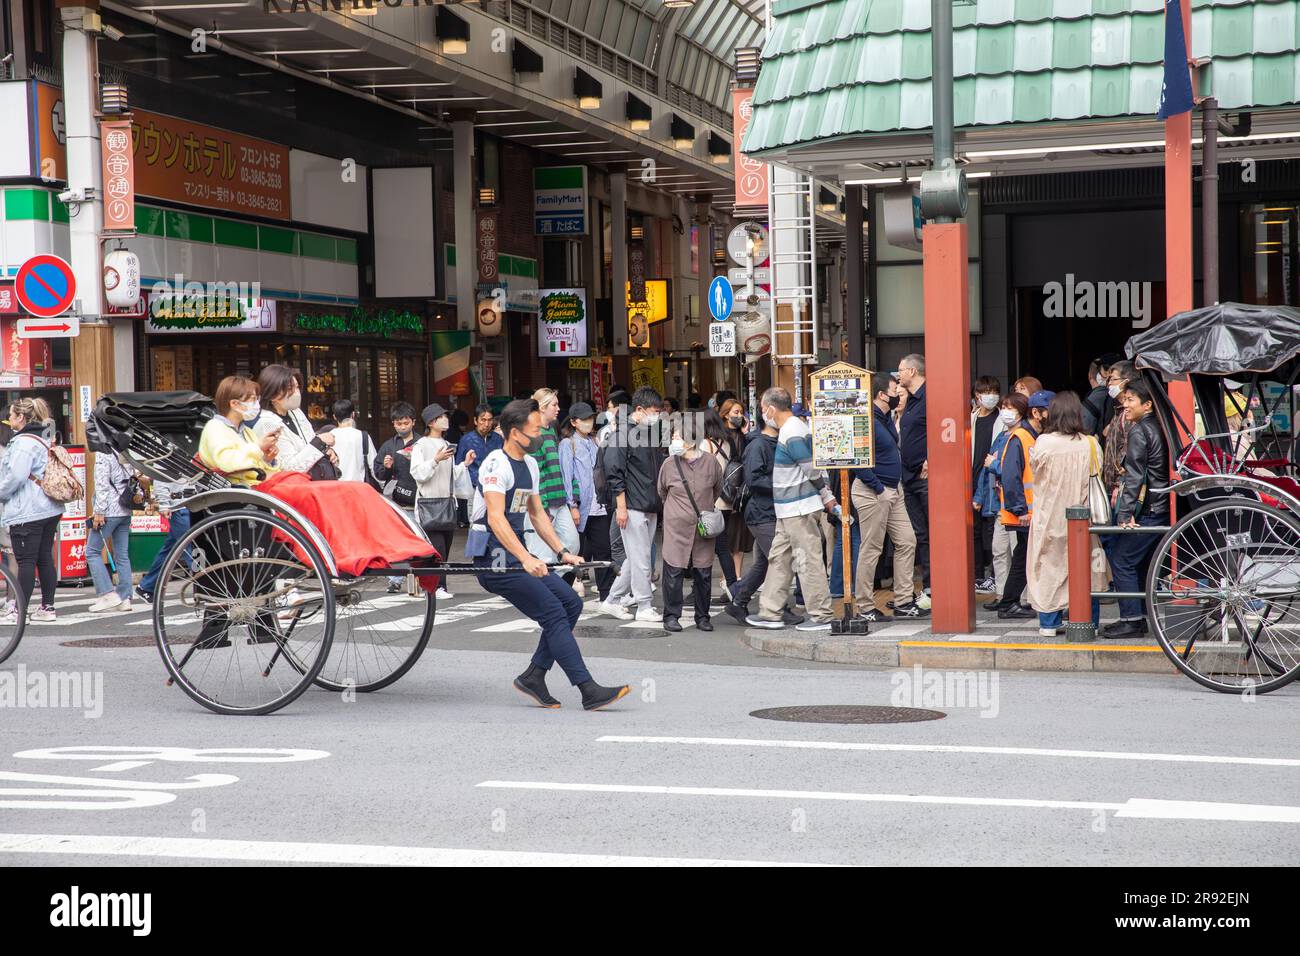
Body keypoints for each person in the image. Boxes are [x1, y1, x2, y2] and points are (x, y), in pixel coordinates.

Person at [467, 398, 629, 711]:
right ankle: (588, 689)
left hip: (517, 554)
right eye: (535, 431)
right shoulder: (495, 464)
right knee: (554, 613)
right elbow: (496, 518)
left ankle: (534, 675)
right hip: (494, 559)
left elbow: (538, 514)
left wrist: (562, 551)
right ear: (515, 433)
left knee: (571, 602)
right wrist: (526, 559)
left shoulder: (529, 464)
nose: (541, 437)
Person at [746, 386, 839, 631]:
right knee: (779, 559)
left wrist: (826, 495)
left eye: (763, 409)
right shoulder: (793, 428)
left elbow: (811, 469)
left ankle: (822, 615)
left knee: (807, 562)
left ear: (771, 408)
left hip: (798, 508)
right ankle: (770, 612)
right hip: (788, 509)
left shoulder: (792, 431)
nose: (762, 413)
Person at [1025, 392, 1104, 636]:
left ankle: (1049, 623)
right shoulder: (1090, 443)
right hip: (1083, 516)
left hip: (1050, 516)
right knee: (1084, 568)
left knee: (1049, 566)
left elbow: (1036, 473)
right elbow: (1098, 473)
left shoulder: (1044, 443)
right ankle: (1088, 619)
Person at [853, 378, 927, 622]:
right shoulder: (867, 420)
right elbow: (859, 462)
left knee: (907, 541)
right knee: (871, 548)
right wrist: (879, 489)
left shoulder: (884, 419)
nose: (899, 394)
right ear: (882, 395)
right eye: (895, 390)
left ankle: (904, 600)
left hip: (892, 490)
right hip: (873, 491)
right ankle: (864, 606)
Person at [1102, 379, 1170, 639]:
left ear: (1147, 404)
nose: (1125, 404)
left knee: (1122, 559)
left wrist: (1124, 513)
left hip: (1148, 509)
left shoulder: (1140, 430)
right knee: (1138, 563)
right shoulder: (1158, 426)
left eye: (1130, 400)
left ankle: (1131, 620)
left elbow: (1135, 475)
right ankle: (1138, 617)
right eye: (1125, 399)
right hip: (1160, 505)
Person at [723, 415, 801, 627]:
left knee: (765, 562)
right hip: (761, 512)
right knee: (780, 560)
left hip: (772, 510)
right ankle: (778, 607)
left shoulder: (777, 441)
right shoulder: (758, 444)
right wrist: (782, 484)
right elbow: (754, 478)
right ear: (769, 414)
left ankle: (739, 601)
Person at [598, 386, 665, 622]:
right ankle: (644, 605)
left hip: (646, 503)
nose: (657, 415)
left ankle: (612, 600)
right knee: (641, 558)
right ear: (639, 409)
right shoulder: (622, 435)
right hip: (633, 505)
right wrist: (622, 507)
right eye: (654, 411)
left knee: (637, 557)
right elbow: (614, 473)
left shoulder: (645, 433)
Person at [657, 413, 723, 632]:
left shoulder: (711, 462)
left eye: (679, 436)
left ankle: (703, 617)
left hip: (702, 527)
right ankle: (671, 616)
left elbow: (717, 489)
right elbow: (662, 491)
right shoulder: (668, 464)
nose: (674, 440)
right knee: (673, 571)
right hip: (676, 528)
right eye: (674, 435)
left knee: (703, 572)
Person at [0, 398, 65, 623]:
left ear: (21, 417)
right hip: (49, 507)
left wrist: (1, 492)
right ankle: (47, 607)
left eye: (11, 415)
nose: (9, 419)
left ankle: (19, 611)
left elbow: (16, 476)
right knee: (44, 557)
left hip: (28, 508)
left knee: (26, 560)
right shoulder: (43, 438)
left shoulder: (23, 443)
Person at [991, 390, 1051, 619]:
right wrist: (1020, 510)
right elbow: (1011, 476)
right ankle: (1008, 603)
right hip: (1023, 512)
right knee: (1023, 557)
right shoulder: (1021, 438)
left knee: (1023, 556)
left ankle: (1010, 601)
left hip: (1028, 511)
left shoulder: (1031, 437)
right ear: (1036, 413)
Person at [410, 402, 474, 601]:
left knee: (445, 547)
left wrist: (464, 464)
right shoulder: (421, 445)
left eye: (446, 416)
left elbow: (450, 475)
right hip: (429, 502)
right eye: (442, 417)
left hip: (446, 502)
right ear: (431, 422)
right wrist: (435, 460)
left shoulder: (446, 445)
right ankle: (436, 586)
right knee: (437, 548)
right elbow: (418, 473)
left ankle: (436, 586)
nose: (446, 420)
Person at [558, 402, 612, 601]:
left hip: (598, 506)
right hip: (580, 506)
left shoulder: (595, 441)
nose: (589, 422)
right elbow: (566, 476)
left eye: (591, 418)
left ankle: (606, 596)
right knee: (574, 551)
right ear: (574, 422)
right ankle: (562, 591)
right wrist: (572, 505)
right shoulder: (567, 444)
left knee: (603, 551)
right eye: (584, 419)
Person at [977, 393, 1027, 601]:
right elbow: (985, 466)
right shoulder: (1002, 436)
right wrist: (980, 495)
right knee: (999, 551)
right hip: (1001, 503)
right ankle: (1002, 596)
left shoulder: (1023, 436)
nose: (1006, 411)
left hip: (1018, 505)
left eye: (1010, 407)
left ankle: (1021, 598)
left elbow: (1008, 468)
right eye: (1004, 407)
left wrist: (995, 465)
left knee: (1017, 553)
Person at [526, 388, 580, 580]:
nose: (558, 409)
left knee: (572, 544)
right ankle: (547, 590)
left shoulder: (551, 431)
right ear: (542, 408)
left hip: (559, 499)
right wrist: (542, 507)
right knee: (542, 553)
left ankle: (556, 584)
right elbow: (535, 474)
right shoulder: (534, 433)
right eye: (554, 405)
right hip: (543, 503)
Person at [700, 405, 746, 604]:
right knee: (721, 545)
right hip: (726, 501)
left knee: (713, 546)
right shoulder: (727, 443)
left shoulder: (705, 445)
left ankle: (731, 586)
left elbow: (702, 476)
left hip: (711, 501)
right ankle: (731, 584)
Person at [254, 365, 337, 475]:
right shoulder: (267, 423)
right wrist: (319, 443)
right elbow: (289, 468)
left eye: (297, 387)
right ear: (272, 394)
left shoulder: (296, 412)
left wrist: (326, 451)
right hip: (291, 486)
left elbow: (310, 440)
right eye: (289, 389)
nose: (296, 392)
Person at [197, 376, 279, 484]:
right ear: (235, 404)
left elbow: (254, 465)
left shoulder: (246, 431)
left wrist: (267, 459)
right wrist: (258, 446)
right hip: (238, 488)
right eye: (253, 399)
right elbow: (227, 463)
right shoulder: (215, 428)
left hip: (257, 483)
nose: (257, 405)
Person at [374, 401, 421, 593]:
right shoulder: (388, 446)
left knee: (419, 542)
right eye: (399, 423)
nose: (403, 426)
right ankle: (395, 579)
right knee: (396, 541)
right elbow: (378, 474)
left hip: (418, 500)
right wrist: (386, 467)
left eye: (406, 423)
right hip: (397, 501)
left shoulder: (421, 443)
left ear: (413, 422)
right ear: (393, 424)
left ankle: (419, 579)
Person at [896, 353, 931, 602]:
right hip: (908, 476)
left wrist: (932, 457)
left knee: (933, 532)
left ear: (912, 371)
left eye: (900, 370)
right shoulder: (909, 401)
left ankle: (935, 585)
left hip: (925, 475)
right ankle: (927, 587)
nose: (898, 375)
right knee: (920, 534)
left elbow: (940, 428)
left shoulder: (930, 396)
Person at [86, 449, 137, 613]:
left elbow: (102, 484)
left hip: (109, 510)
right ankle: (125, 597)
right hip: (126, 507)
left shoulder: (103, 454)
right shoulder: (124, 450)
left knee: (92, 552)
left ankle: (107, 594)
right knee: (122, 554)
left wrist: (99, 511)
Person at [970, 375, 1005, 594]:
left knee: (993, 529)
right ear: (977, 395)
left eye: (994, 391)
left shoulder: (1002, 419)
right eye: (986, 392)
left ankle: (994, 576)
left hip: (992, 480)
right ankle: (976, 575)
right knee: (972, 529)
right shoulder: (971, 419)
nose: (990, 396)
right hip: (972, 478)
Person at [135, 478, 193, 605]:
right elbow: (161, 477)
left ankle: (147, 587)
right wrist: (164, 504)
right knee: (192, 548)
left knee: (171, 549)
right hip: (179, 506)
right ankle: (207, 588)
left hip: (190, 503)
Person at [456, 404, 502, 496]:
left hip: (494, 486)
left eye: (490, 420)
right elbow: (458, 464)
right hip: (473, 487)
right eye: (483, 420)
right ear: (475, 421)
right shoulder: (466, 440)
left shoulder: (498, 439)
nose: (487, 424)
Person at [329, 399, 378, 485]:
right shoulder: (363, 436)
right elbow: (374, 465)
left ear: (334, 417)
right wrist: (383, 485)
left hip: (335, 487)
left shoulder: (328, 437)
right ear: (353, 414)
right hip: (358, 487)